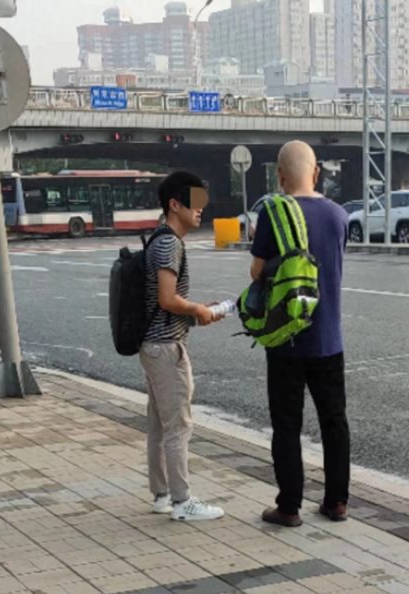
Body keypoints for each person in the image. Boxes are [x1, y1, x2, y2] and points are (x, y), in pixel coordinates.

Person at [250, 141, 350, 527]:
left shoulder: (273, 213)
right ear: (317, 171)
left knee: (287, 424)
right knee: (334, 422)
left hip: (286, 338)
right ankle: (336, 502)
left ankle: (289, 506)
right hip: (329, 338)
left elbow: (256, 273)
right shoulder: (339, 215)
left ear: (279, 175)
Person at [140, 171, 225, 522]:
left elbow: (167, 299)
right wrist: (197, 310)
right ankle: (183, 502)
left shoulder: (160, 238)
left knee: (160, 425)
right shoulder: (169, 243)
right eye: (196, 203)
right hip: (165, 347)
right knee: (178, 425)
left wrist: (199, 311)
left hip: (154, 344)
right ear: (175, 204)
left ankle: (162, 495)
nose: (201, 211)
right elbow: (166, 298)